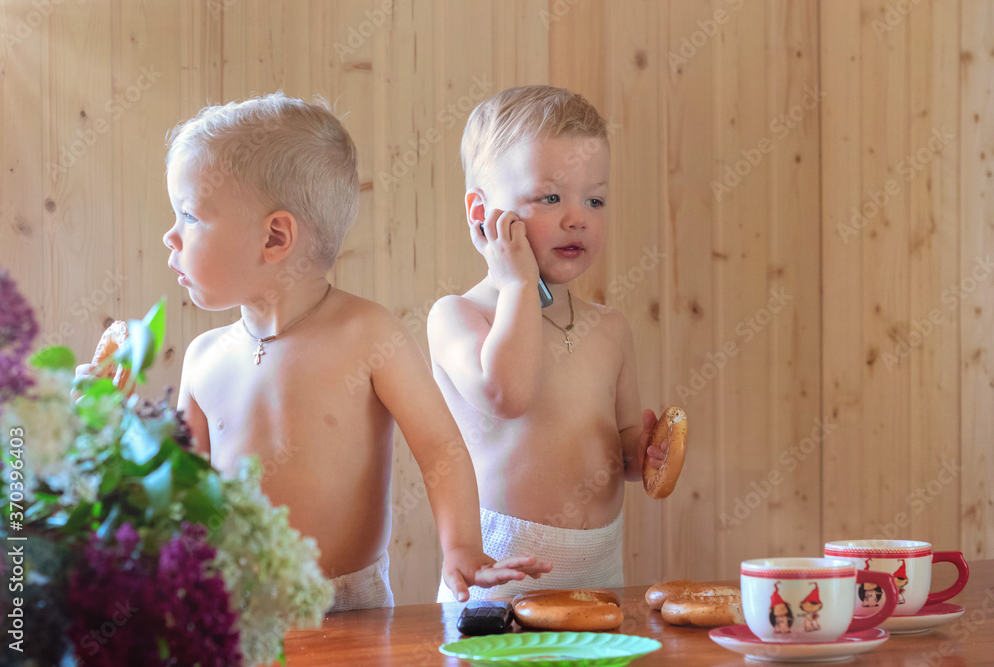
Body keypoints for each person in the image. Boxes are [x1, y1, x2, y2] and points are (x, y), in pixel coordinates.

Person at [80, 92, 550, 612]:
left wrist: (460, 544)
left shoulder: (369, 334)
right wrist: (114, 431)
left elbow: (440, 446)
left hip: (349, 606)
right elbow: (185, 490)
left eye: (189, 216)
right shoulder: (203, 357)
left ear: (275, 237)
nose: (170, 236)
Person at [428, 85, 667, 602]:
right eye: (550, 197)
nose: (576, 216)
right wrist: (517, 285)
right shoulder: (458, 316)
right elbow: (506, 396)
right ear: (482, 213)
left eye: (595, 199)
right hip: (501, 571)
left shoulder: (611, 328)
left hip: (599, 572)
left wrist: (646, 452)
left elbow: (621, 453)